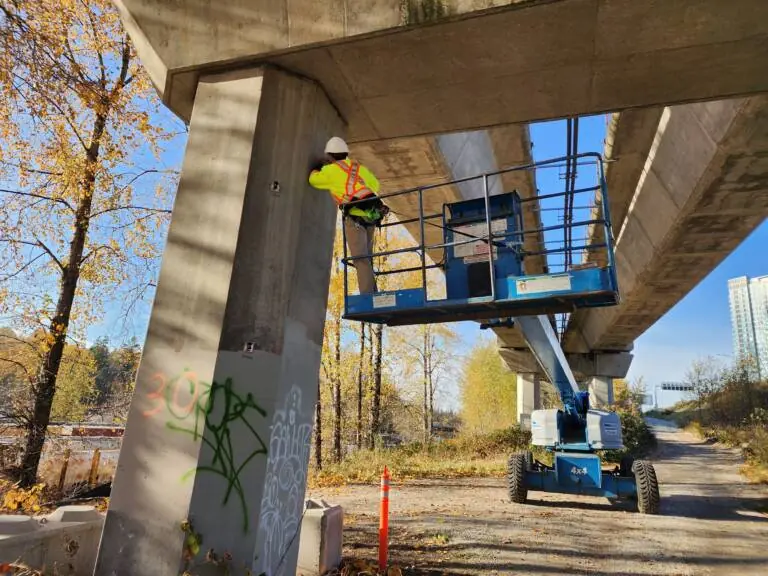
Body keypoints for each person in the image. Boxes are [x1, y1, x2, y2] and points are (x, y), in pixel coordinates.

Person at [309, 136, 388, 294]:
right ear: (345, 153)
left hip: (354, 218)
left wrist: (317, 168)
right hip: (371, 216)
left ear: (330, 155)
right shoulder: (358, 168)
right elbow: (375, 185)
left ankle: (368, 297)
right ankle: (373, 293)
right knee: (367, 259)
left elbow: (313, 180)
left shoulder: (331, 171)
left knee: (360, 259)